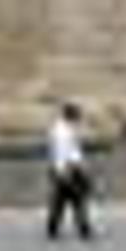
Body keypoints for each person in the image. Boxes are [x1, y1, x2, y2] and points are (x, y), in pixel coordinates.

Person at [42, 100, 98, 243]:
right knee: (77, 200)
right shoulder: (62, 131)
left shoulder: (66, 128)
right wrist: (65, 171)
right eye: (77, 115)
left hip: (67, 168)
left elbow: (73, 151)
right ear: (70, 115)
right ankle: (84, 230)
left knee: (61, 201)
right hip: (67, 169)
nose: (79, 118)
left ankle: (52, 229)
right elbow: (62, 152)